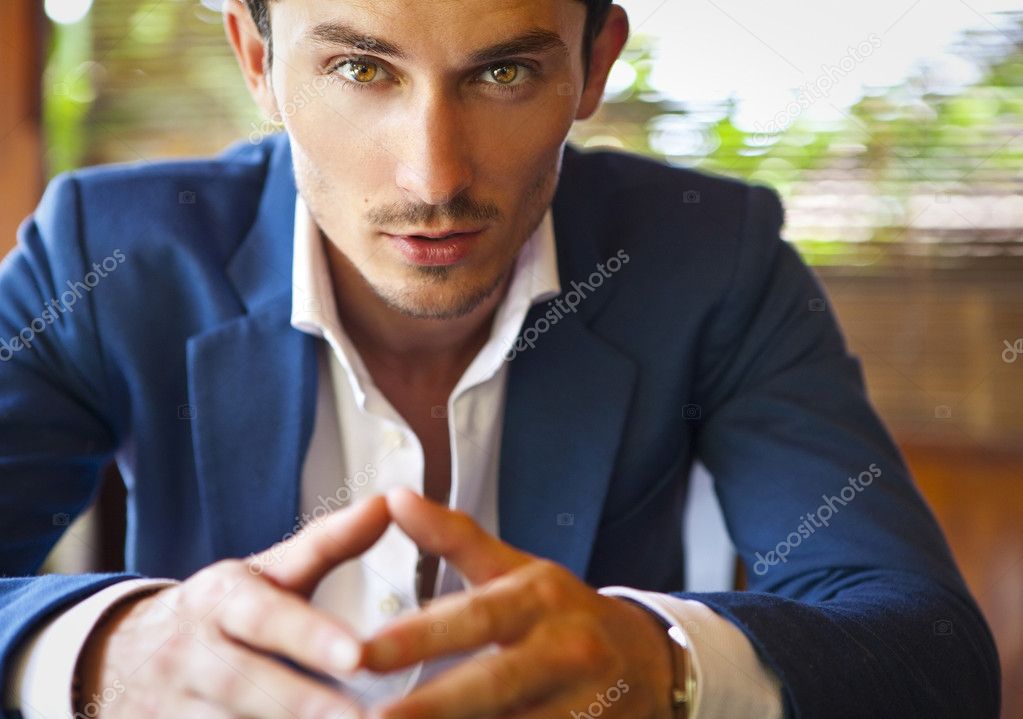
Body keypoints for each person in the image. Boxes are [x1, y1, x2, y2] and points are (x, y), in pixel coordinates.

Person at [0, 1, 1000, 717]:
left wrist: (660, 664)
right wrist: (107, 656)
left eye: (505, 72)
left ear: (595, 63)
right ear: (256, 60)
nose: (433, 175)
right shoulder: (105, 249)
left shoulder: (714, 261)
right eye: (360, 67)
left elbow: (930, 651)